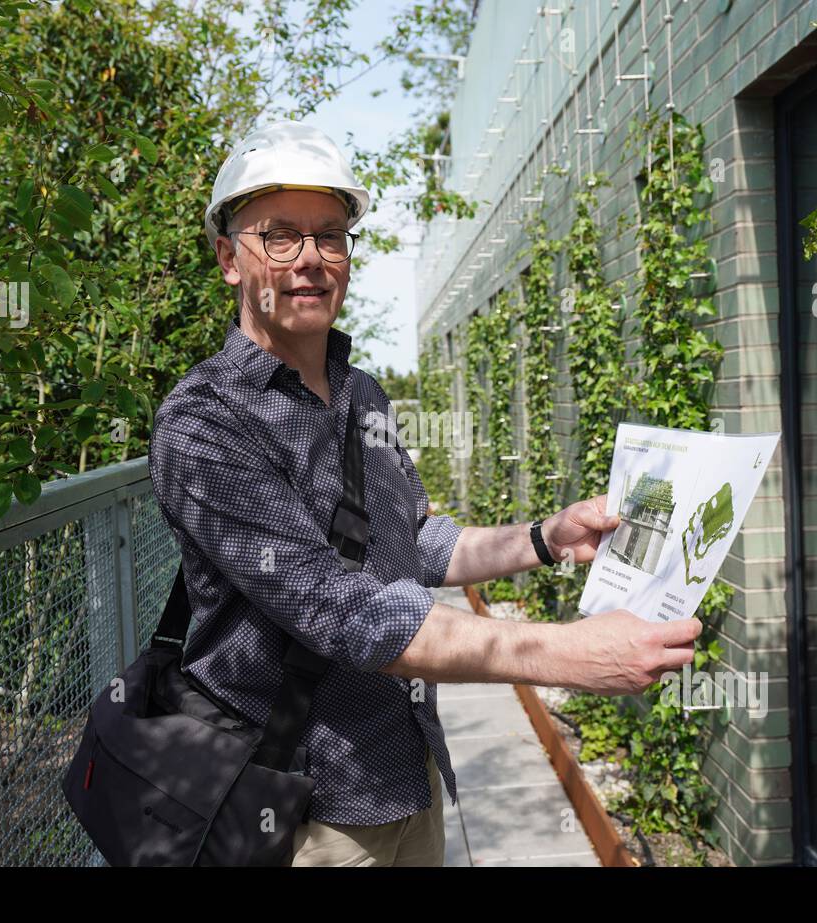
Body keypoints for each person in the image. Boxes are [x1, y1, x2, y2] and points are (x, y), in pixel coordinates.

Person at [148, 119, 701, 867]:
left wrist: (544, 538)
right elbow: (341, 612)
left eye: (331, 235)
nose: (311, 260)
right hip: (303, 818)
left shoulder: (362, 394)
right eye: (280, 236)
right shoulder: (204, 423)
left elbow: (415, 543)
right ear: (228, 259)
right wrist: (560, 653)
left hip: (410, 777)